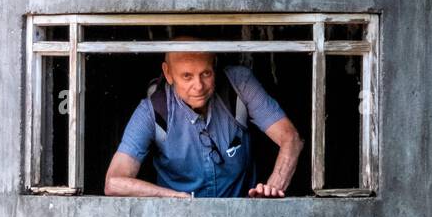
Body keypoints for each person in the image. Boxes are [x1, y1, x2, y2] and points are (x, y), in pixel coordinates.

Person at [104, 38, 304, 198]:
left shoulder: (239, 85)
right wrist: (174, 198)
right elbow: (114, 182)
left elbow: (291, 139)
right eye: (187, 76)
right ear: (168, 73)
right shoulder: (152, 110)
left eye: (206, 73)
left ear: (214, 65)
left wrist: (271, 190)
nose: (199, 86)